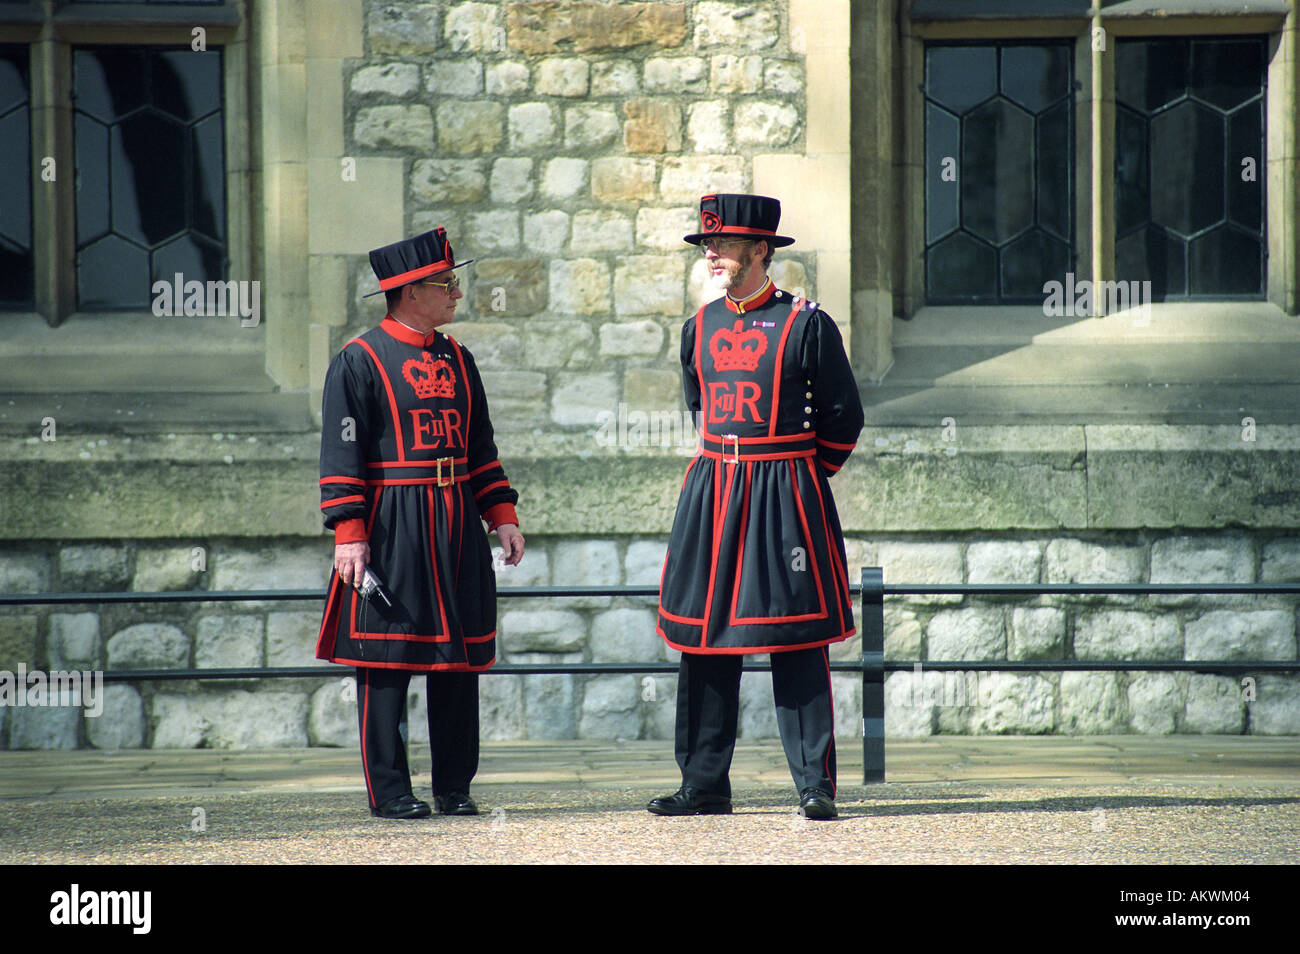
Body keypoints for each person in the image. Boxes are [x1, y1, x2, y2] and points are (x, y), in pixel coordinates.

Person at [650, 194, 864, 820]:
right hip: (714, 489)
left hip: (786, 491)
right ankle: (704, 782)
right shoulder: (700, 325)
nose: (710, 253)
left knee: (796, 638)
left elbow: (843, 416)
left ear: (761, 251)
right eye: (707, 245)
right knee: (706, 638)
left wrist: (798, 475)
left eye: (722, 245)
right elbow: (701, 407)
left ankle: (814, 785)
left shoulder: (807, 323)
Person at [315, 227, 524, 819]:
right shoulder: (358, 361)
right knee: (388, 662)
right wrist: (348, 534)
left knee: (457, 660)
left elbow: (480, 445)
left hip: (457, 522)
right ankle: (391, 791)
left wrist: (501, 514)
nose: (457, 293)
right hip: (392, 526)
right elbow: (340, 455)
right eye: (447, 283)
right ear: (410, 291)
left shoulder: (460, 358)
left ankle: (455, 787)